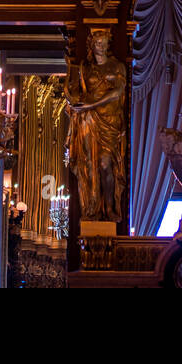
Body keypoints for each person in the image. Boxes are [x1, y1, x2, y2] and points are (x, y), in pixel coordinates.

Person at [66, 29, 127, 223]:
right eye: (96, 43)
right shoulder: (85, 68)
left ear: (108, 44)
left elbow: (117, 93)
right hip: (88, 121)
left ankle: (109, 206)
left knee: (105, 163)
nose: (100, 46)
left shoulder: (117, 66)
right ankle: (91, 208)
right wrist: (74, 99)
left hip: (109, 121)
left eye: (103, 43)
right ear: (91, 45)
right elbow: (72, 91)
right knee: (89, 164)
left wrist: (91, 104)